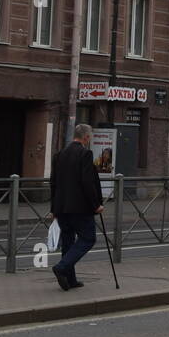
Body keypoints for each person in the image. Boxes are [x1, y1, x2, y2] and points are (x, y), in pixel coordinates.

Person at [48, 123, 104, 290]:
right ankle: (61, 267)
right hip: (79, 208)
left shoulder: (59, 155)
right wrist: (96, 205)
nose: (90, 139)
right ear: (86, 137)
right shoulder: (85, 154)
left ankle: (70, 279)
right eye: (90, 136)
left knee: (68, 242)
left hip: (61, 207)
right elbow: (87, 182)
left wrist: (53, 209)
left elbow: (53, 183)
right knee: (88, 238)